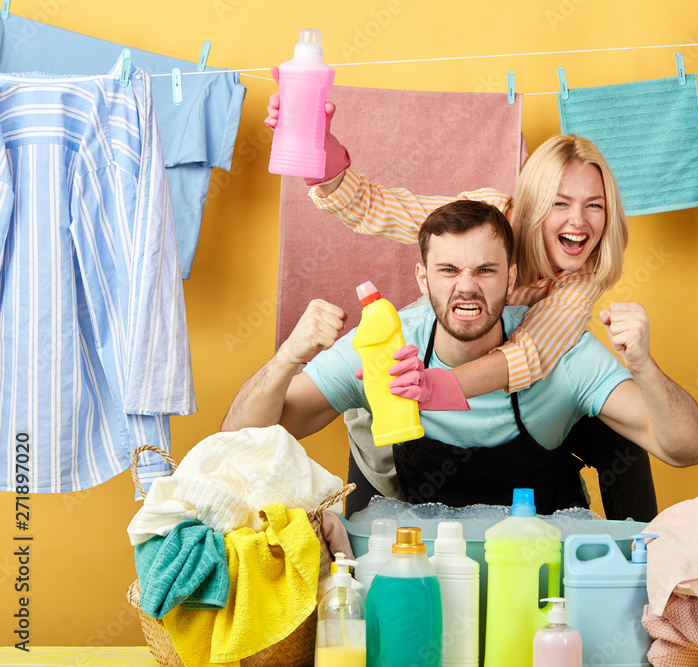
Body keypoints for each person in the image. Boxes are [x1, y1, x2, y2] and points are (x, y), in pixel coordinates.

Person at [266, 89, 659, 519]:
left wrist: (437, 386)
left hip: (503, 394)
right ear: (532, 203)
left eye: (594, 205)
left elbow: (529, 354)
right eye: (560, 202)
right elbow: (391, 209)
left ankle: (644, 553)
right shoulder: (487, 216)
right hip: (408, 384)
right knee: (380, 499)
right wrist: (322, 158)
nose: (578, 221)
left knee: (621, 438)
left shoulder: (581, 278)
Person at [222, 199, 698, 514]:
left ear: (511, 276)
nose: (467, 287)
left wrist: (643, 366)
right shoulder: (386, 345)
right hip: (424, 567)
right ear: (423, 278)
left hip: (545, 567)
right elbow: (238, 441)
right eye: (449, 270)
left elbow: (690, 449)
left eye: (485, 270)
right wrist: (287, 358)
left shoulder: (562, 353)